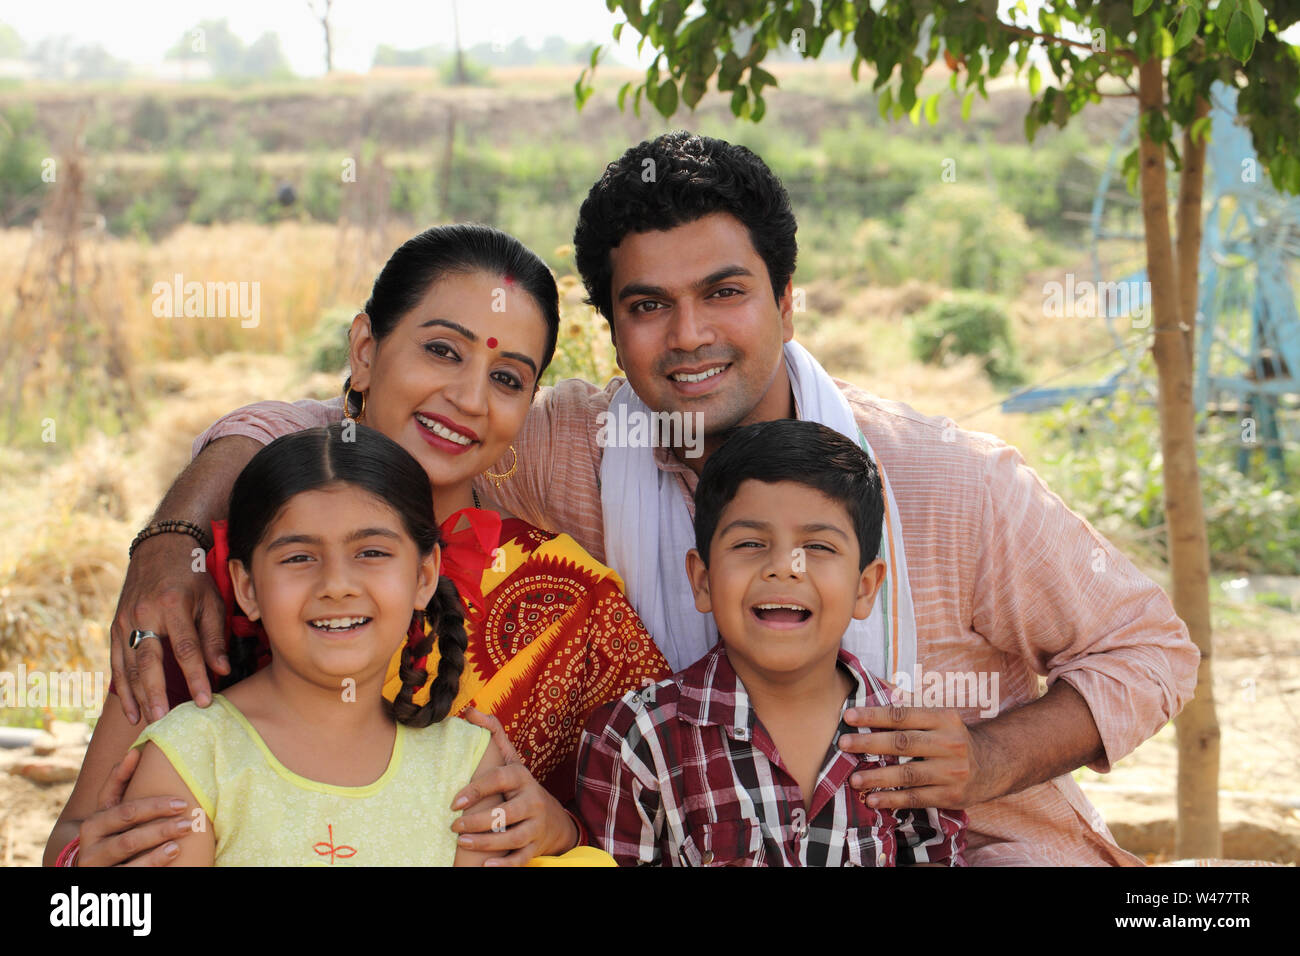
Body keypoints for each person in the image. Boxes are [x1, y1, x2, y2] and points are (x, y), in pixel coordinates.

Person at [100, 133, 1199, 865]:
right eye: (646, 306)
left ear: (784, 296)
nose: (688, 337)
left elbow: (1152, 646)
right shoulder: (567, 437)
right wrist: (180, 532)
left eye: (723, 292)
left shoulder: (949, 481)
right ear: (611, 329)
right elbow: (356, 424)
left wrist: (990, 756)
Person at [45, 224, 670, 867]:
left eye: (508, 379)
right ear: (365, 349)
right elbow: (73, 851)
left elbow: (672, 826)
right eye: (443, 351)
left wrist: (562, 831)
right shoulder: (218, 581)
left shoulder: (568, 601)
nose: (468, 398)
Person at [575, 419, 967, 866]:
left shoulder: (908, 743)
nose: (784, 567)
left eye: (818, 547)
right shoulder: (637, 740)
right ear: (703, 581)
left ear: (865, 587)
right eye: (750, 543)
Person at [124, 422, 512, 865]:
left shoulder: (466, 767)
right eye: (299, 558)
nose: (336, 585)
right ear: (247, 587)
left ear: (424, 578)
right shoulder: (192, 758)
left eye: (371, 553)